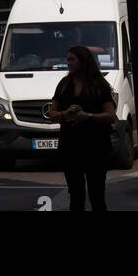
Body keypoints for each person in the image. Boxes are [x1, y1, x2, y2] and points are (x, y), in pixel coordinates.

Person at [47, 45, 116, 213]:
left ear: (83, 62)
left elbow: (110, 115)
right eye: (67, 59)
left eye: (72, 59)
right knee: (76, 196)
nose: (67, 63)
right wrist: (65, 113)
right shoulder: (64, 84)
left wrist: (88, 116)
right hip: (70, 148)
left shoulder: (99, 85)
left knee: (97, 196)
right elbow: (52, 113)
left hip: (96, 148)